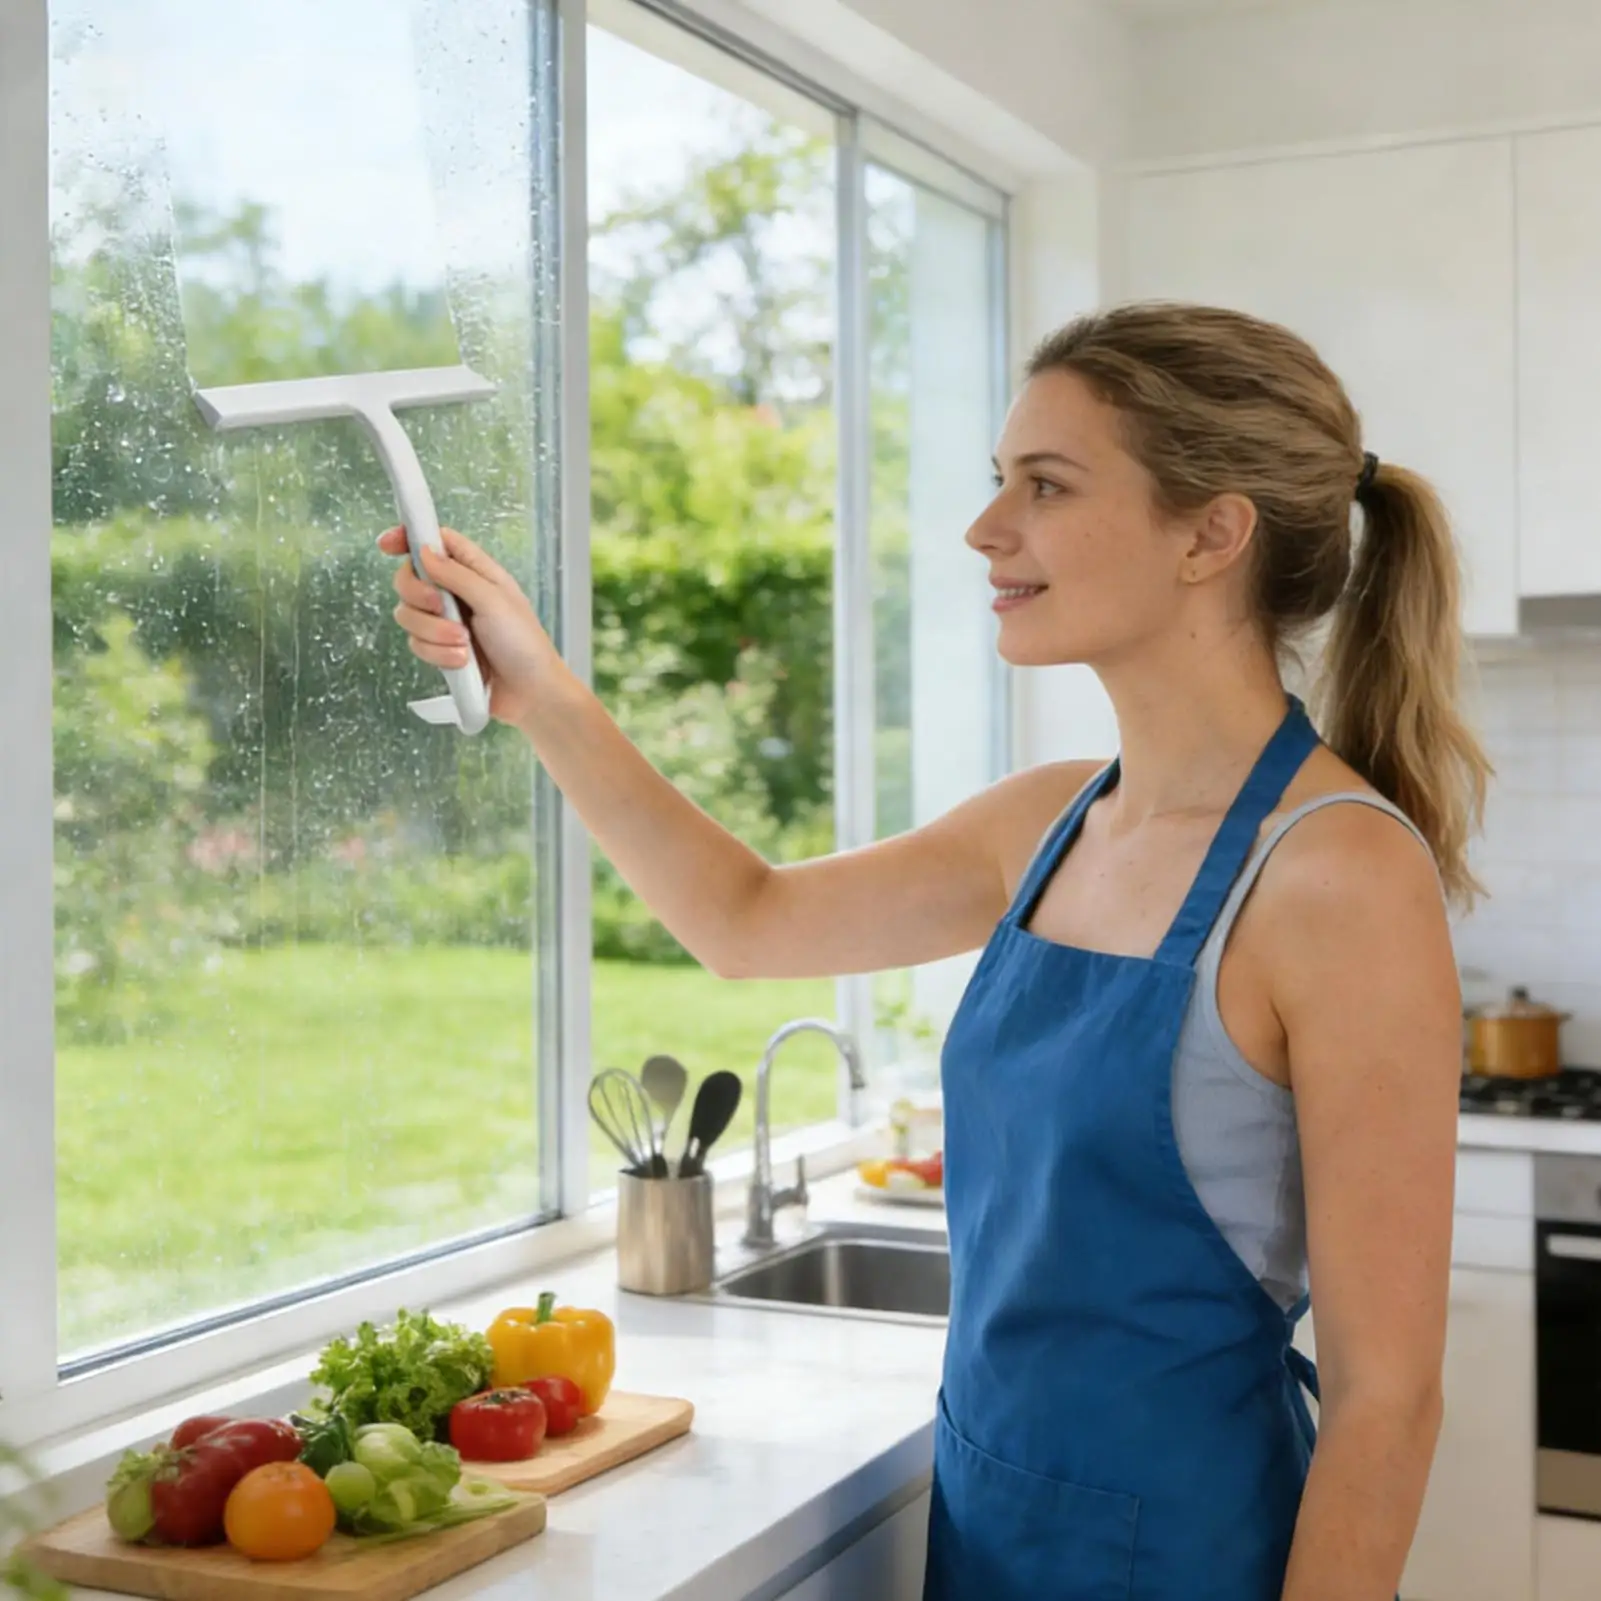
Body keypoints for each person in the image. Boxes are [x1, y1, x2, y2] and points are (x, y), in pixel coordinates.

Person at [381, 300, 1485, 1601]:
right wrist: (543, 695)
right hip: (992, 1525)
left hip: (1194, 1555)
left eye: (1046, 484)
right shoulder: (1049, 823)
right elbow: (745, 920)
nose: (986, 528)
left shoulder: (1337, 877)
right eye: (998, 480)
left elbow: (1386, 1401)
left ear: (1212, 532)